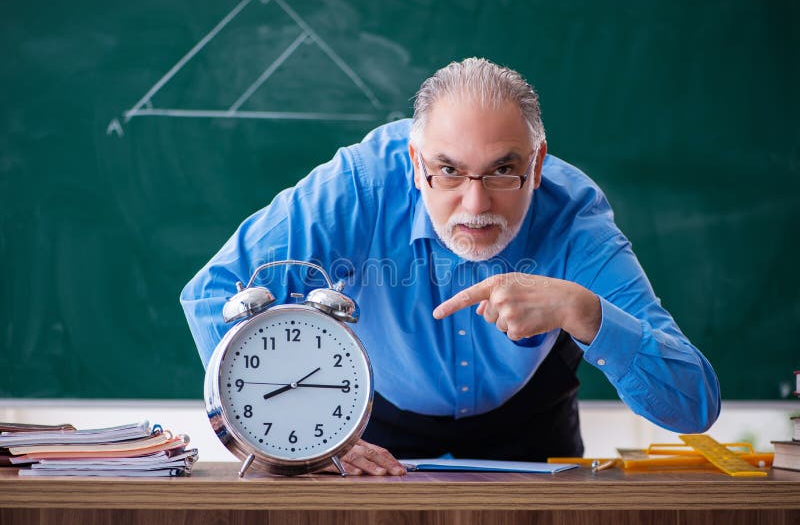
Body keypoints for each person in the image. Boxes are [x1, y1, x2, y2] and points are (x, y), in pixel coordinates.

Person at [180, 57, 720, 476]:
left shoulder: (574, 217)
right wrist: (301, 445)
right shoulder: (357, 186)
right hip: (371, 434)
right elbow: (214, 293)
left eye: (503, 170)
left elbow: (694, 406)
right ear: (415, 164)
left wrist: (586, 312)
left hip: (533, 439)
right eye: (449, 171)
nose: (475, 205)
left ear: (537, 164)